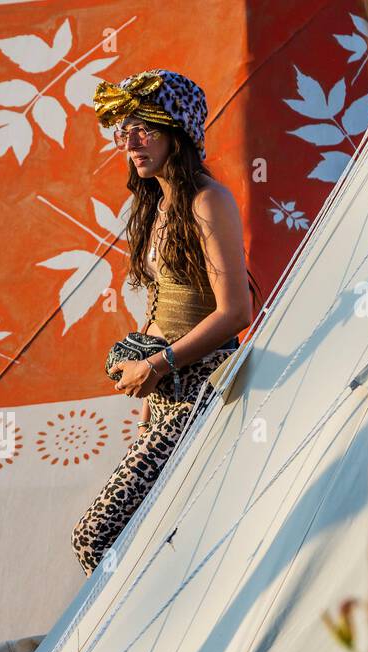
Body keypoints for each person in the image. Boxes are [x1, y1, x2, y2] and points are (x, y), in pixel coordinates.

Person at [71, 70, 254, 575]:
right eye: (123, 129)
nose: (130, 142)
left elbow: (235, 312)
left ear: (180, 133)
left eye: (144, 128)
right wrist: (151, 391)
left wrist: (158, 364)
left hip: (200, 388)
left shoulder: (207, 200)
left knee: (97, 535)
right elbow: (161, 304)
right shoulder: (153, 205)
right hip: (166, 394)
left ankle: (123, 646)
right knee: (147, 538)